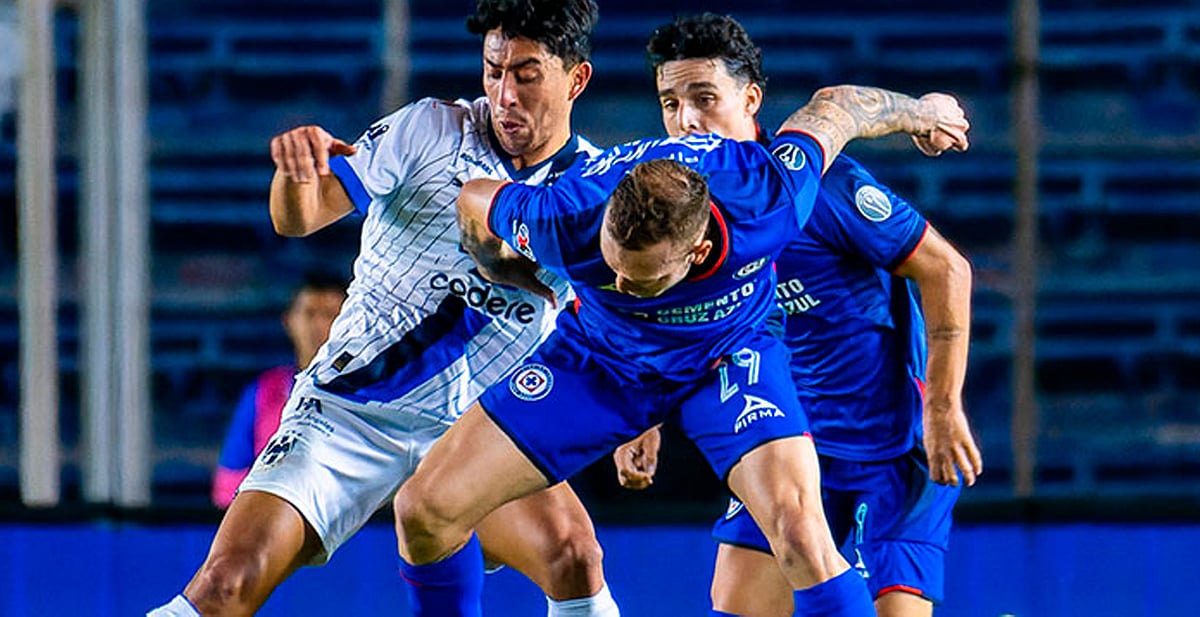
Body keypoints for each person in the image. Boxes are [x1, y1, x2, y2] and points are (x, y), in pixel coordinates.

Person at [393, 84, 969, 617]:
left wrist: (924, 113)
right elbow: (474, 198)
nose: (622, 283)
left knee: (800, 536)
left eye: (640, 279)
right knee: (424, 510)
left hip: (729, 358)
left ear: (698, 251)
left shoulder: (766, 193)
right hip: (604, 359)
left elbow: (837, 106)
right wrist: (498, 265)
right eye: (612, 266)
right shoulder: (563, 216)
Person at [149, 1, 622, 616]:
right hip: (350, 410)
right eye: (493, 71)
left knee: (575, 557)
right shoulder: (429, 129)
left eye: (526, 75)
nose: (505, 95)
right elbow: (299, 217)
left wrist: (643, 424)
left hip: (478, 429)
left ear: (576, 79)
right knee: (225, 585)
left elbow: (622, 313)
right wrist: (295, 172)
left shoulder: (594, 189)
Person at [612, 14, 983, 617]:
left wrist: (942, 407)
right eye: (671, 104)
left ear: (750, 99)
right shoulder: (675, 212)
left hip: (890, 452)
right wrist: (641, 419)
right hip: (785, 440)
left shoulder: (813, 186)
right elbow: (648, 311)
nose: (686, 121)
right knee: (736, 602)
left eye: (705, 98)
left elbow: (947, 269)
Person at [211, 272, 346, 509]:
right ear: (289, 321)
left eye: (330, 315)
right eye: (309, 313)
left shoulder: (375, 392)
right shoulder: (263, 392)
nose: (318, 326)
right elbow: (227, 487)